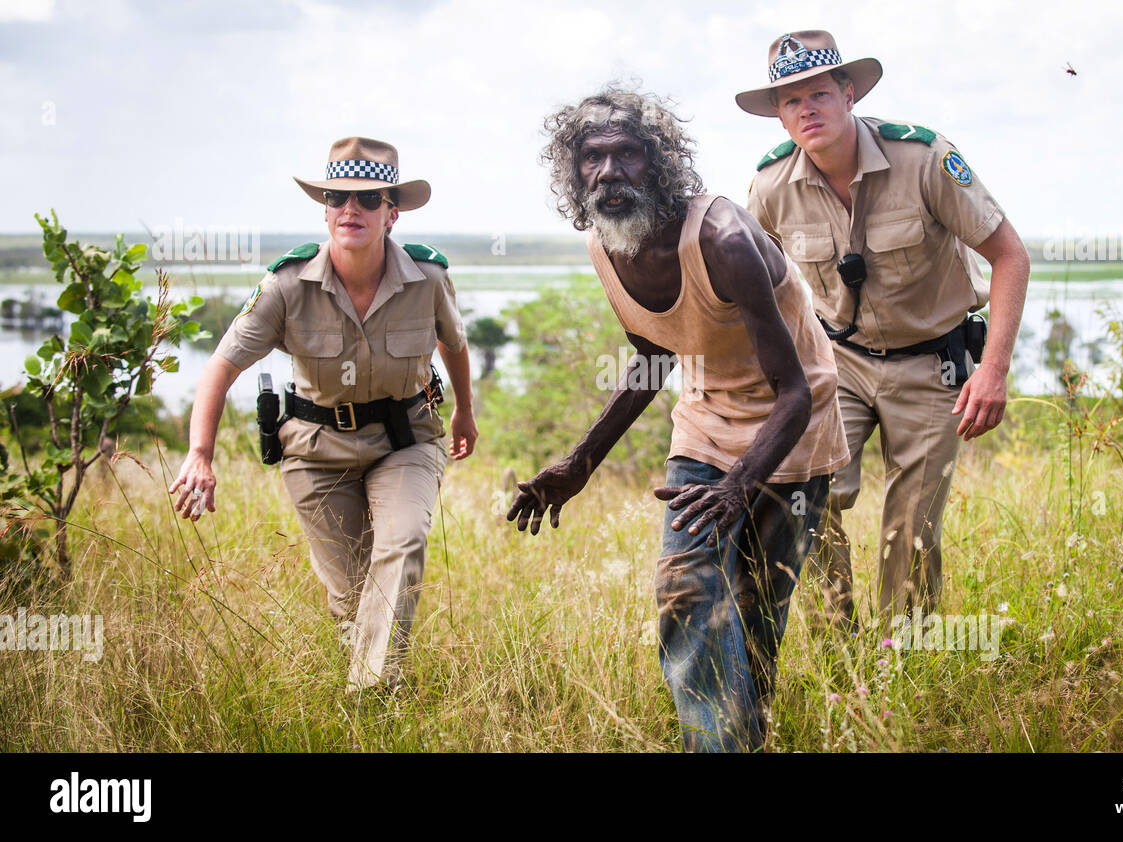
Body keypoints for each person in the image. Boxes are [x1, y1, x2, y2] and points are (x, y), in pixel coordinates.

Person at [507, 87, 848, 752]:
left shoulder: (722, 240)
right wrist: (581, 461)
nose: (608, 173)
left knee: (756, 618)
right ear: (572, 173)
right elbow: (652, 354)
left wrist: (737, 487)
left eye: (626, 155)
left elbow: (795, 392)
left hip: (791, 433)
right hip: (703, 423)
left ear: (659, 163)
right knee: (687, 588)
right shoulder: (606, 247)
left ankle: (746, 737)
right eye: (591, 159)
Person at [738, 31, 1031, 630]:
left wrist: (994, 370)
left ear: (849, 94)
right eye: (790, 102)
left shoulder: (922, 159)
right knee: (804, 491)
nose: (807, 110)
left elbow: (1009, 256)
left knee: (912, 524)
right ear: (780, 116)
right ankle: (837, 639)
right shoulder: (769, 185)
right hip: (836, 360)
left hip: (932, 362)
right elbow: (761, 290)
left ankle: (905, 656)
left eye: (819, 93)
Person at [169, 137, 477, 692]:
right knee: (352, 596)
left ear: (392, 211)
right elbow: (221, 365)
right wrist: (200, 453)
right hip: (317, 451)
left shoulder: (427, 278)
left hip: (405, 438)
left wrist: (463, 413)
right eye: (337, 197)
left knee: (402, 544)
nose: (350, 210)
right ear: (326, 208)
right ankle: (376, 687)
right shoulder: (287, 285)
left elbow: (453, 342)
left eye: (367, 199)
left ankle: (370, 696)